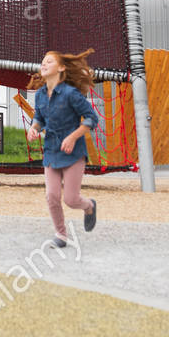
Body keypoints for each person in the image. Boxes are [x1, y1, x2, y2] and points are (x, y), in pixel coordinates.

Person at [26, 50, 101, 248]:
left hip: (73, 152)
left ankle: (89, 206)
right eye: (42, 62)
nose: (43, 64)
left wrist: (72, 136)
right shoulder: (40, 95)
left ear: (61, 68)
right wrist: (33, 129)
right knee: (51, 196)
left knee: (71, 199)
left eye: (49, 62)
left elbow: (92, 119)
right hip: (51, 151)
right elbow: (39, 118)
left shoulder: (71, 94)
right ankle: (61, 235)